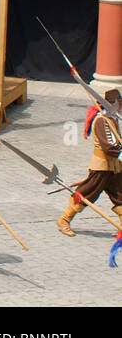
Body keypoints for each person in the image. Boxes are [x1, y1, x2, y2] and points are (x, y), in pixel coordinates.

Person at [57, 88, 122, 236]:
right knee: (87, 192)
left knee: (120, 194)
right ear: (111, 104)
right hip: (102, 166)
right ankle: (64, 219)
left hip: (115, 166)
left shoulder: (113, 119)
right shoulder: (102, 121)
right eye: (118, 103)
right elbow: (109, 146)